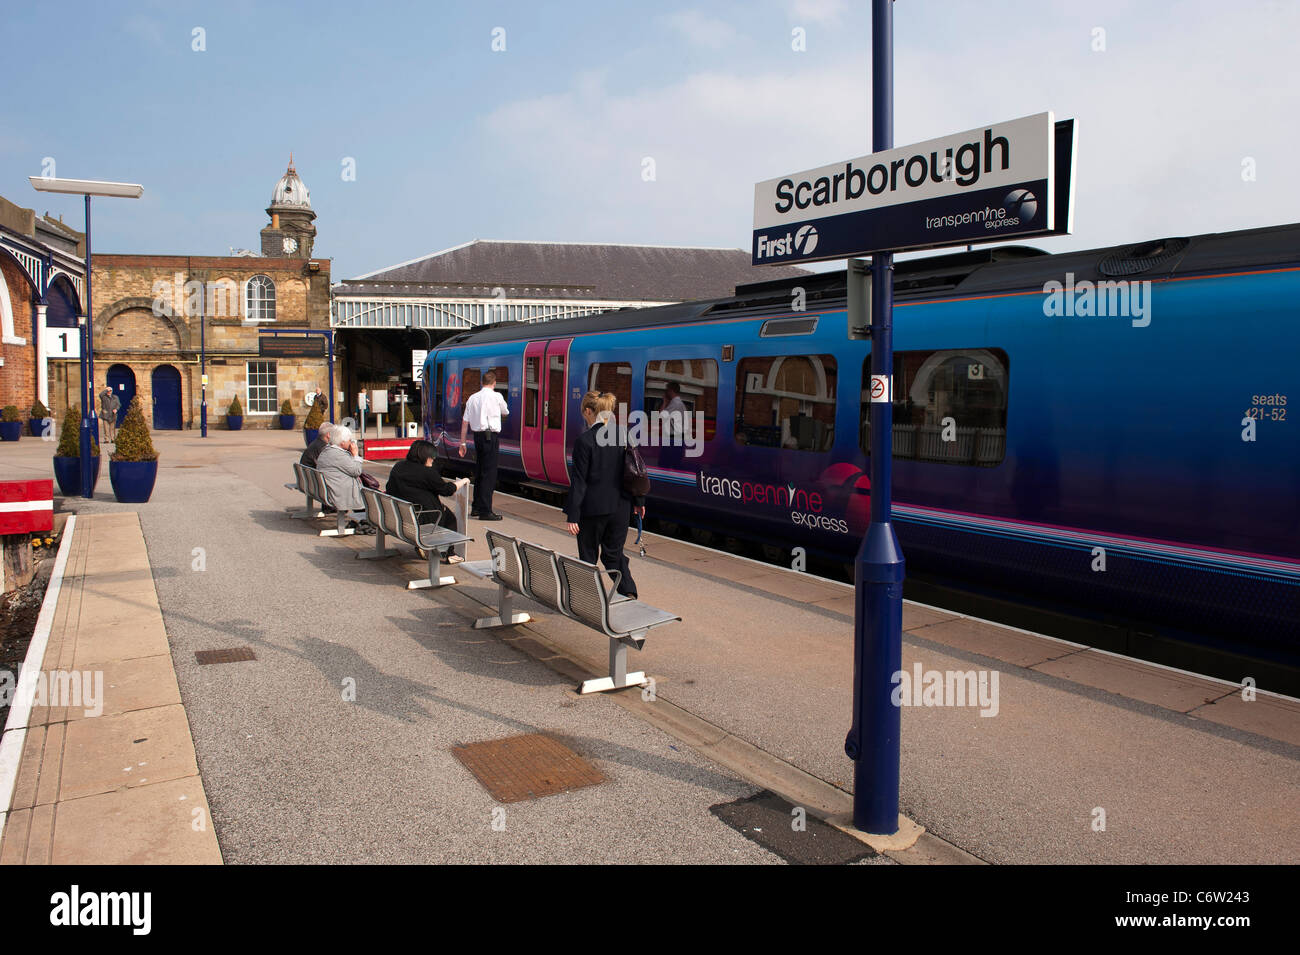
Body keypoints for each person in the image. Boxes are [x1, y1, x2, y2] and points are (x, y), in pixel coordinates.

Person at [565, 391, 645, 599]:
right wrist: (638, 501)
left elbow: (579, 482)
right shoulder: (624, 435)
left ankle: (590, 598)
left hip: (592, 510)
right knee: (614, 554)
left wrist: (573, 514)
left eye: (584, 412)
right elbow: (635, 471)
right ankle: (628, 591)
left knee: (589, 556)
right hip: (621, 508)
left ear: (589, 411)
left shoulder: (585, 441)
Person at [458, 371, 509, 520]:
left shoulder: (473, 398)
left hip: (477, 437)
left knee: (479, 471)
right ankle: (486, 511)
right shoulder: (497, 396)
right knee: (489, 474)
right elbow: (505, 412)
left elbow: (465, 422)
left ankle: (476, 507)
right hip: (490, 437)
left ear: (482, 382)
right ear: (494, 383)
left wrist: (462, 443)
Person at [316, 425, 374, 533]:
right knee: (371, 496)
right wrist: (356, 455)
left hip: (330, 490)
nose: (351, 442)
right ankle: (367, 522)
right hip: (339, 494)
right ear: (342, 442)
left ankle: (363, 520)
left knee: (367, 492)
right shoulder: (338, 455)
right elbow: (356, 470)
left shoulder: (327, 451)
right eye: (349, 440)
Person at [658, 380, 687, 470]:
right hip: (677, 438)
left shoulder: (675, 403)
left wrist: (664, 401)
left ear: (671, 391)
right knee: (675, 465)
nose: (666, 392)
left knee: (664, 465)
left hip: (673, 439)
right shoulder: (680, 404)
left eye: (667, 390)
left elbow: (661, 415)